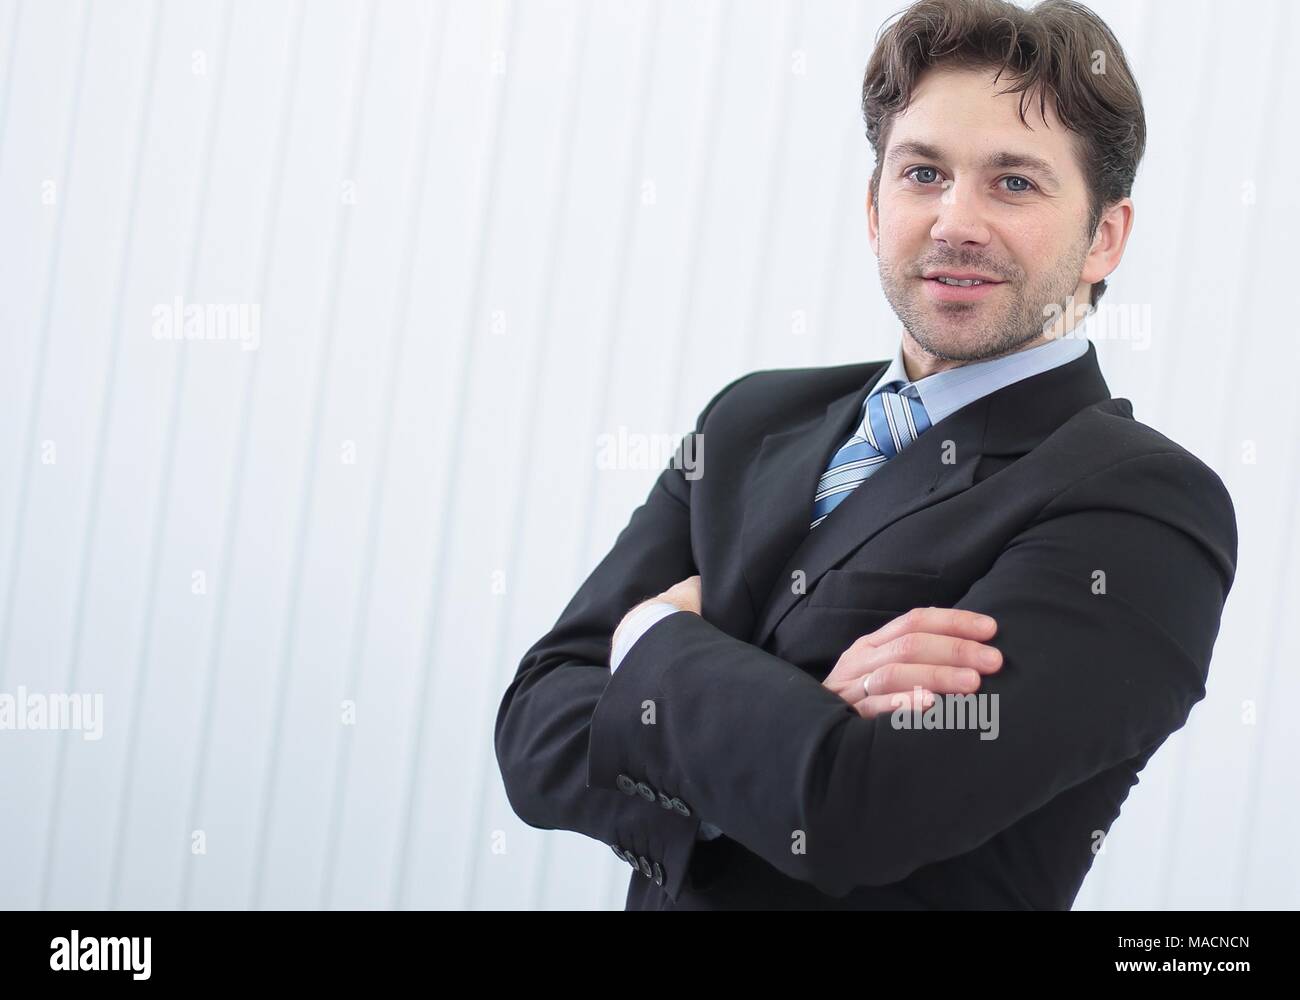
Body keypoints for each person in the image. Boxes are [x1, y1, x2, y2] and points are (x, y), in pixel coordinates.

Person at [494, 0, 1237, 909]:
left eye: (1014, 183)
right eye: (924, 172)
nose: (956, 221)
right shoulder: (748, 422)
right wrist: (794, 723)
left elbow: (861, 809)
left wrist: (653, 642)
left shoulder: (1141, 506)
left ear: (1105, 236)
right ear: (875, 203)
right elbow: (532, 727)